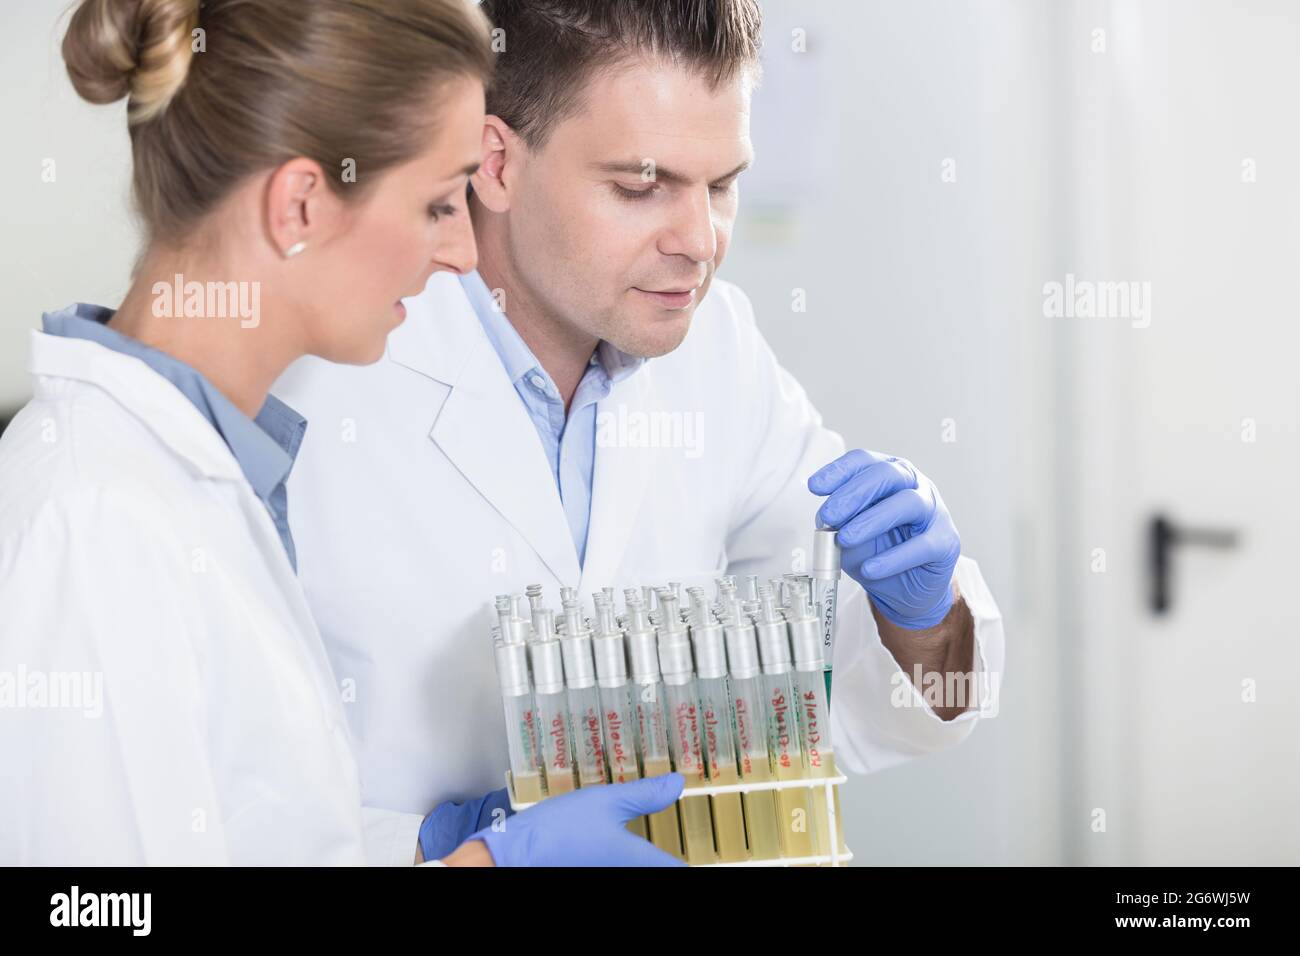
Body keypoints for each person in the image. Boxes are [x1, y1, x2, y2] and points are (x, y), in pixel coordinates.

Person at [273, 0, 1007, 863]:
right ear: (496, 163)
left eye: (724, 184)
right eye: (641, 187)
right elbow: (197, 808)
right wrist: (439, 850)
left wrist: (919, 623)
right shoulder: (317, 380)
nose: (700, 242)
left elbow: (811, 704)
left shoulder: (717, 350)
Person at [0, 0, 682, 867]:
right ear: (299, 208)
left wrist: (431, 850)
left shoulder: (202, 477)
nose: (464, 254)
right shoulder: (94, 522)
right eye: (440, 203)